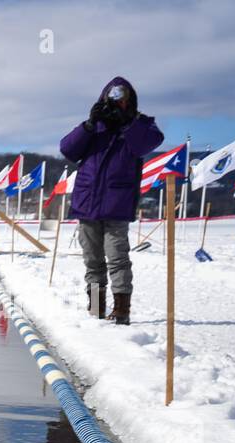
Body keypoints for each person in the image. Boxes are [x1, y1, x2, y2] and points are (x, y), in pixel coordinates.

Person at [59, 76, 163, 325]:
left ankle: (122, 310)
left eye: (122, 98)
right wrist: (89, 124)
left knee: (117, 258)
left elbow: (149, 143)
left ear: (130, 101)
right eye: (112, 98)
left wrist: (129, 124)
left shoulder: (140, 127)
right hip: (87, 204)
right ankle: (96, 308)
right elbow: (68, 149)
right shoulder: (95, 128)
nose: (117, 103)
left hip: (117, 204)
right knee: (92, 260)